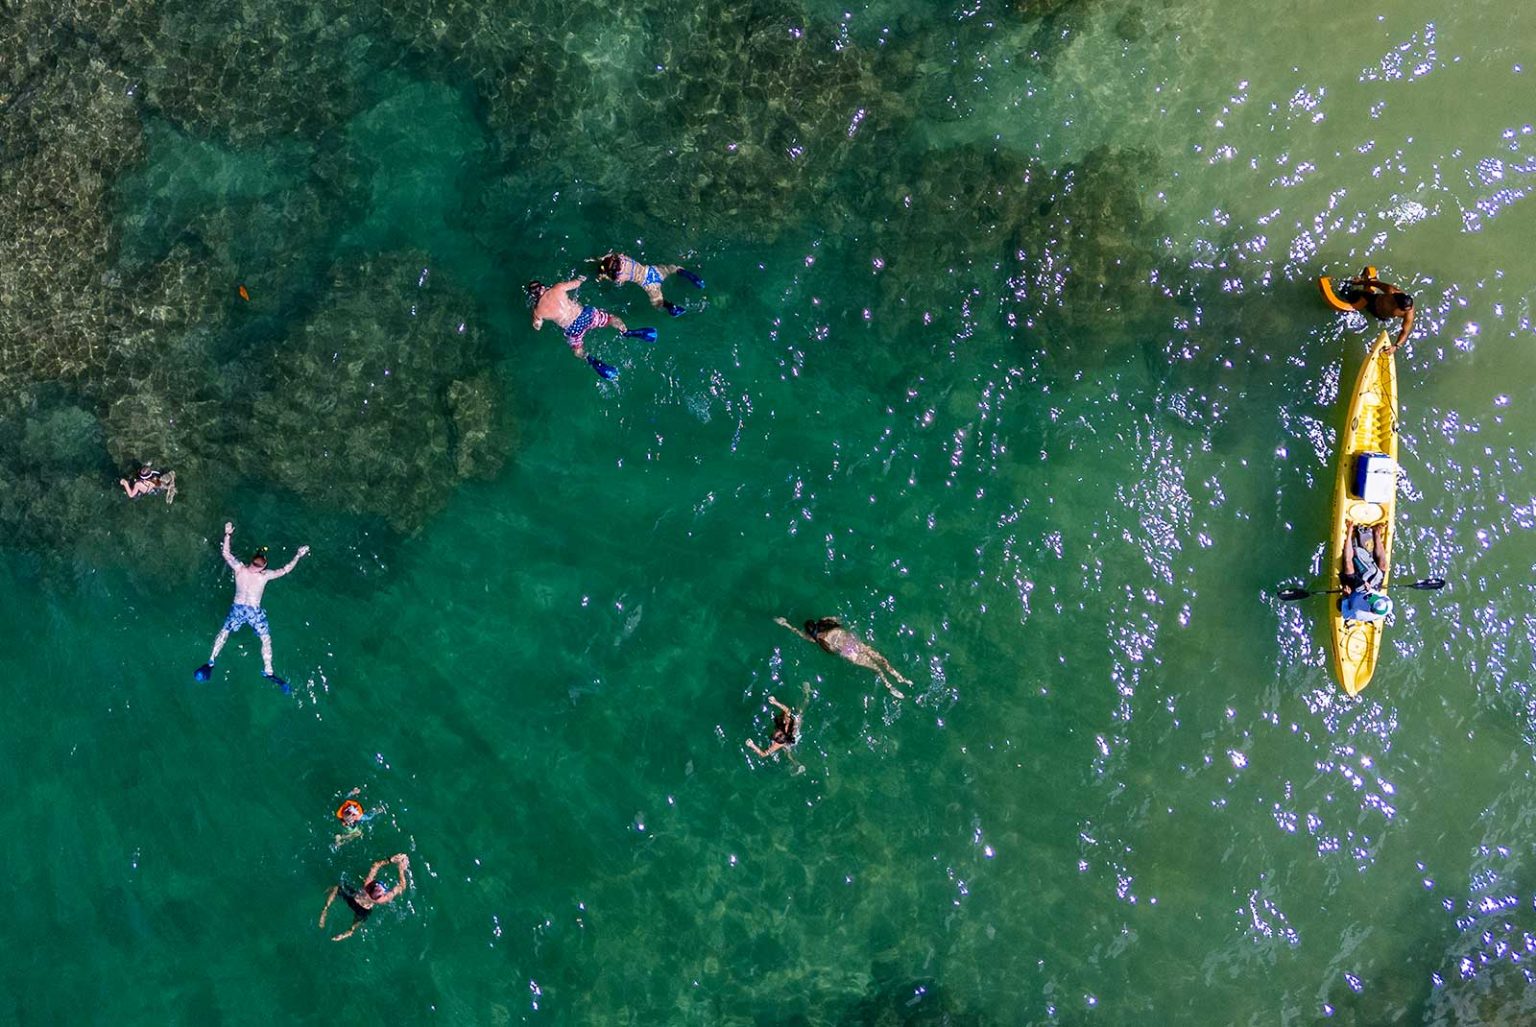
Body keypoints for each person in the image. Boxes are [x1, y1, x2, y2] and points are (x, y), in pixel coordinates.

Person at [193, 521, 310, 691]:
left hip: (238, 609)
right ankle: (269, 671)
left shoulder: (239, 569)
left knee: (224, 632)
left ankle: (211, 661)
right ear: (263, 566)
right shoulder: (265, 575)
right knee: (265, 639)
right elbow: (285, 570)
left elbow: (226, 553)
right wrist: (298, 555)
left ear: (251, 562)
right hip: (254, 612)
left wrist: (228, 534)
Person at [526, 278, 655, 379]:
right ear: (542, 287)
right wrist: (581, 279)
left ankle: (592, 361)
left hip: (573, 328)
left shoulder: (538, 311)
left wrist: (535, 314)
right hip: (586, 316)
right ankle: (627, 332)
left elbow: (537, 327)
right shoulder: (557, 288)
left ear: (534, 296)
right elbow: (577, 283)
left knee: (577, 351)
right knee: (611, 319)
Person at [775, 616, 911, 699]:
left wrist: (785, 623)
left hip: (851, 650)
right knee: (879, 665)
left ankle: (897, 680)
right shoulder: (825, 623)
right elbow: (839, 619)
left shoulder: (818, 636)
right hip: (853, 644)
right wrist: (785, 623)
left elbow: (798, 632)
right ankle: (893, 683)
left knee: (880, 664)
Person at [318, 853, 411, 942]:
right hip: (353, 898)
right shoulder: (368, 885)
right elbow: (376, 865)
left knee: (355, 925)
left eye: (381, 889)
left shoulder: (383, 899)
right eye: (378, 887)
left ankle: (349, 932)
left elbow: (402, 886)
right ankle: (325, 910)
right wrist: (390, 860)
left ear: (383, 893)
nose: (379, 889)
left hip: (362, 910)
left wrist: (401, 869)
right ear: (374, 885)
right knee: (336, 888)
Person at [595, 253, 704, 317]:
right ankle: (686, 274)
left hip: (648, 283)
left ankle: (671, 307)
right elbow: (609, 256)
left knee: (657, 303)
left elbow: (619, 282)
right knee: (672, 268)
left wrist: (602, 277)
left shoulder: (618, 276)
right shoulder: (621, 257)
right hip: (651, 271)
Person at [1339, 267, 1414, 353]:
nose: (1405, 311)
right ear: (1396, 303)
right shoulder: (1391, 291)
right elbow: (1377, 284)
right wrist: (1361, 282)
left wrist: (1396, 346)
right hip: (1371, 300)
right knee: (1346, 293)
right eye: (1402, 309)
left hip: (1380, 316)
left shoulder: (1408, 313)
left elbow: (1405, 332)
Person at [1339, 519, 1393, 623]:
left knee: (1348, 566)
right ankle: (1376, 533)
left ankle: (1349, 531)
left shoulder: (1359, 613)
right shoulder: (1388, 603)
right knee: (1383, 565)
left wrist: (1346, 597)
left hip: (1354, 592)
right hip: (1371, 588)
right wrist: (1370, 590)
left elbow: (1345, 614)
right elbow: (1373, 594)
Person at [746, 695, 801, 761]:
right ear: (782, 732)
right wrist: (775, 702)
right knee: (797, 714)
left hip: (788, 741)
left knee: (787, 750)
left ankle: (795, 763)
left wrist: (752, 745)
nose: (776, 733)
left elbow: (764, 754)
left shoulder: (776, 744)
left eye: (776, 736)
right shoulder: (786, 726)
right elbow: (787, 710)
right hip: (792, 731)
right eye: (778, 733)